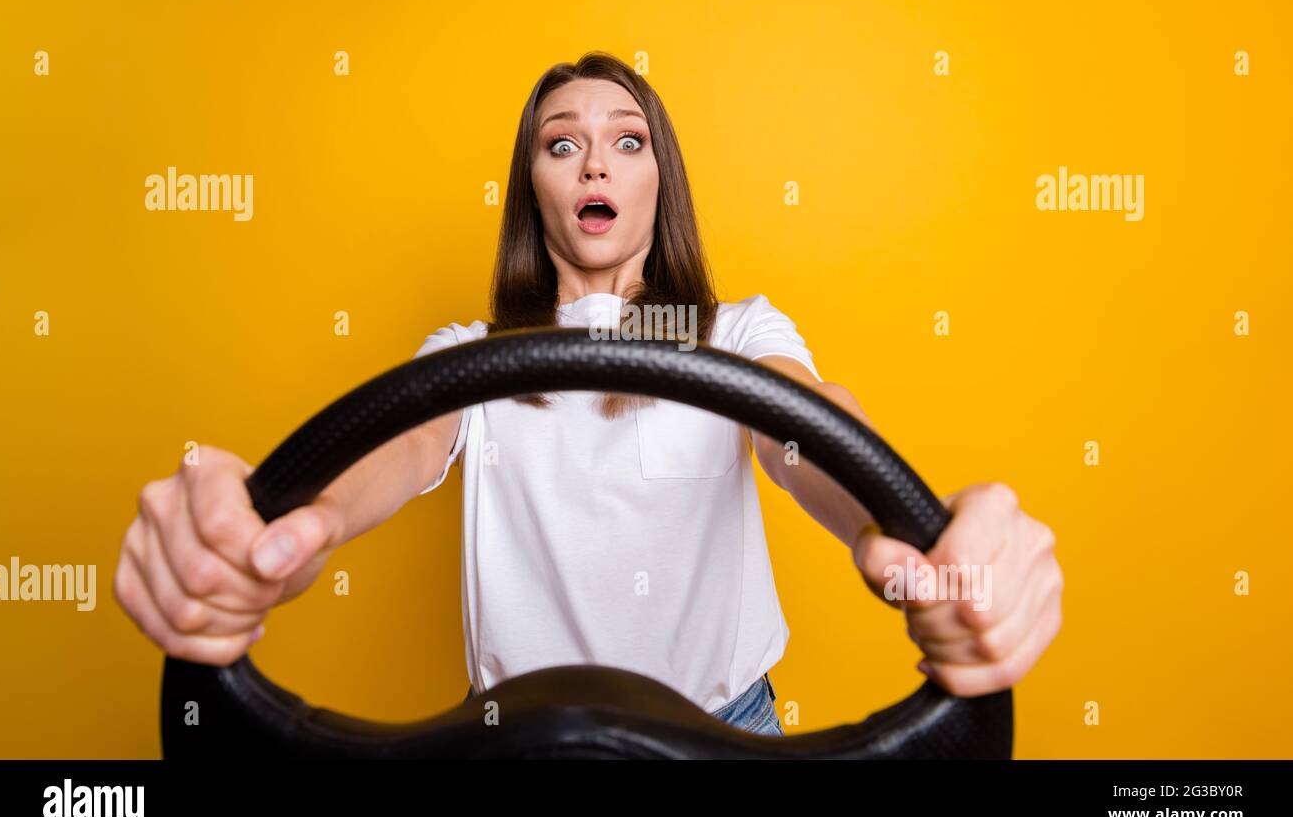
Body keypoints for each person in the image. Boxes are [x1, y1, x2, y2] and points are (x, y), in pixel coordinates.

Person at [115, 51, 1063, 738]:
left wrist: (912, 533)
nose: (595, 163)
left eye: (626, 140)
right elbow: (402, 446)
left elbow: (803, 428)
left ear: (659, 180)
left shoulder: (734, 334)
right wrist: (291, 528)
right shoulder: (473, 357)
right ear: (535, 187)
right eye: (561, 145)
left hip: (726, 731)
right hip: (517, 740)